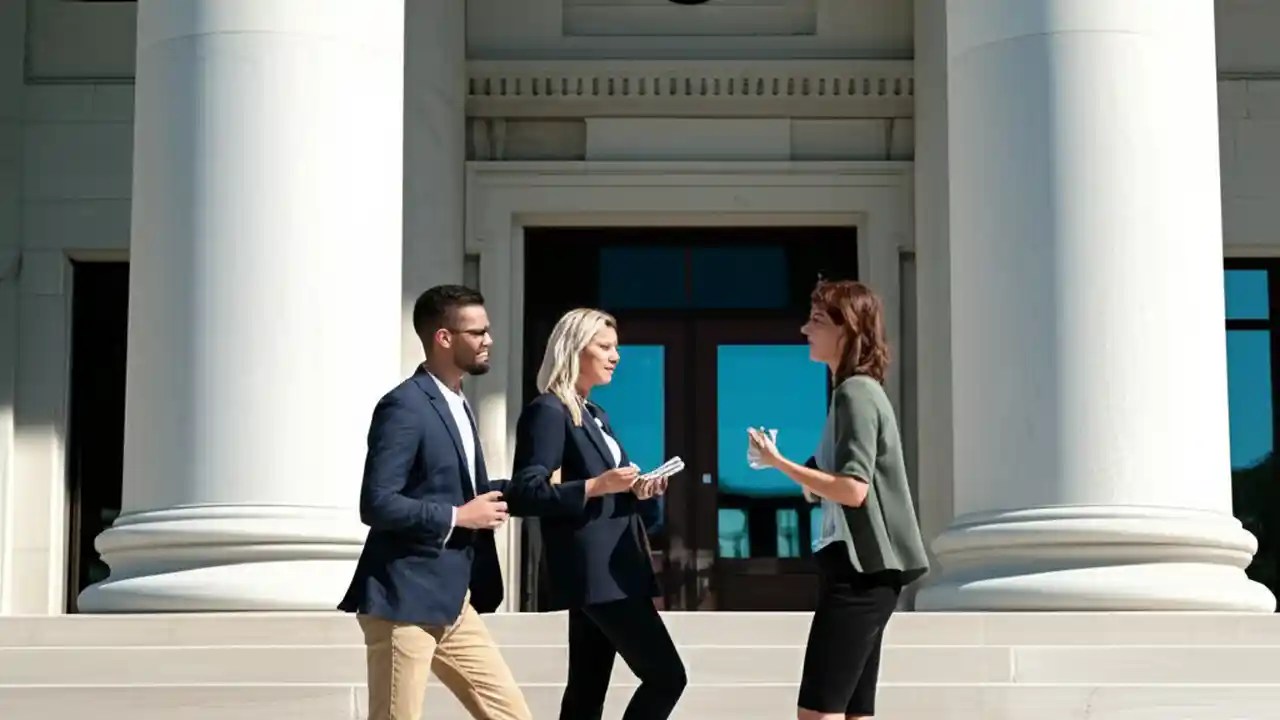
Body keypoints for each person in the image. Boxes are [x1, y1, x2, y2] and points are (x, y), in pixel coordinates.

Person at [338, 285, 532, 720]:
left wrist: (577, 488)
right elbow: (377, 503)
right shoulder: (404, 406)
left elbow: (463, 488)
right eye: (477, 332)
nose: (489, 340)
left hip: (452, 601)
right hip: (403, 603)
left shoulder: (459, 403)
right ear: (444, 338)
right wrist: (458, 517)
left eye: (488, 330)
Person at [747, 279, 929, 720]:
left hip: (859, 575)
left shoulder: (855, 393)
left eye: (816, 321)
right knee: (853, 712)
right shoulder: (850, 394)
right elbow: (824, 486)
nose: (805, 330)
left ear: (846, 330)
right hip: (863, 574)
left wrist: (779, 461)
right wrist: (787, 468)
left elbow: (852, 489)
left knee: (818, 712)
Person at [506, 308, 687, 720]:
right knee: (667, 677)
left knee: (587, 691)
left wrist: (642, 491)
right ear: (573, 349)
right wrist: (596, 485)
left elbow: (612, 495)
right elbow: (526, 493)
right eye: (604, 346)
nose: (616, 356)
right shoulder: (548, 411)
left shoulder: (595, 415)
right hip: (597, 575)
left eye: (616, 347)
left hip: (616, 569)